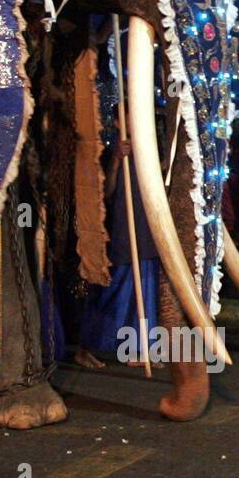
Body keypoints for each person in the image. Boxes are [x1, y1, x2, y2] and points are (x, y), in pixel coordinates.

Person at [74, 135, 159, 369]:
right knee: (114, 293)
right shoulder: (110, 153)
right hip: (122, 233)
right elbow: (106, 192)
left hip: (147, 233)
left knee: (145, 293)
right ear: (119, 123)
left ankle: (139, 349)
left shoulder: (150, 148)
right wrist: (116, 160)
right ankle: (86, 347)